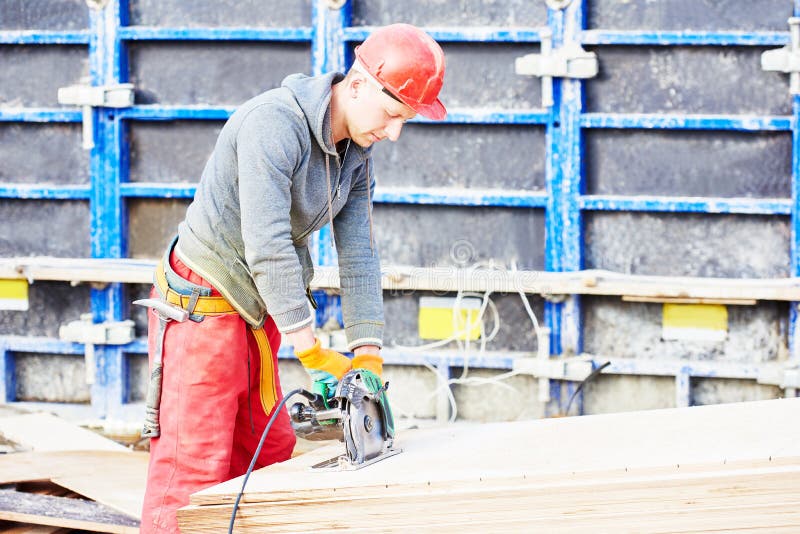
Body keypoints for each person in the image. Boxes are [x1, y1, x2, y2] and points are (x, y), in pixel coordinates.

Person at [139, 23, 447, 532]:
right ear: (358, 84)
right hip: (204, 304)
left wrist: (367, 349)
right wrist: (311, 349)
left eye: (406, 121)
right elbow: (268, 245)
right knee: (192, 465)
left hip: (259, 308)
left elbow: (360, 254)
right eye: (393, 114)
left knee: (269, 452)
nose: (394, 132)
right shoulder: (273, 124)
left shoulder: (355, 153)